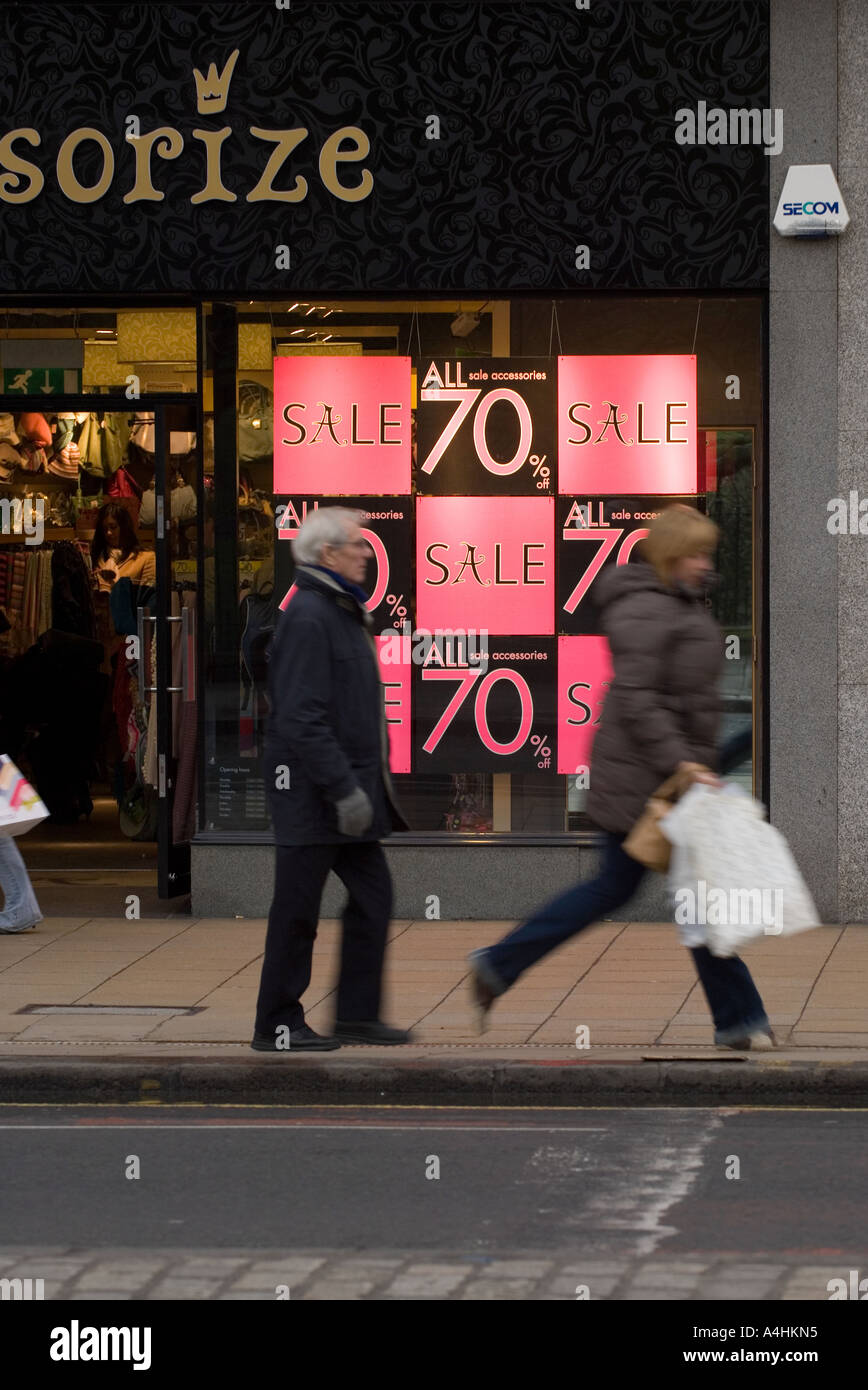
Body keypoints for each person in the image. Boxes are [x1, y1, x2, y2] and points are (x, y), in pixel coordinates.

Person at [468, 504, 773, 1051]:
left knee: (635, 892)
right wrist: (683, 763)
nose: (707, 563)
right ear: (672, 557)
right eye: (696, 553)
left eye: (708, 552)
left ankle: (498, 964)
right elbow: (637, 700)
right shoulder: (650, 609)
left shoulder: (670, 602)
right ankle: (741, 1018)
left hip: (662, 779)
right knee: (682, 899)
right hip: (649, 785)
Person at [252, 507, 412, 1052]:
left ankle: (357, 1016)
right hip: (312, 797)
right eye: (356, 544)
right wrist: (342, 787)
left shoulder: (341, 610)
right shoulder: (310, 616)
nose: (366, 552)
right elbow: (299, 716)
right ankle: (277, 1023)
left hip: (347, 798)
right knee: (296, 913)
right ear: (326, 554)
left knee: (374, 898)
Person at [91, 503, 156, 593]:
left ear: (125, 527)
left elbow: (147, 597)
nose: (108, 533)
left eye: (113, 527)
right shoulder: (97, 557)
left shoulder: (145, 558)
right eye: (105, 529)